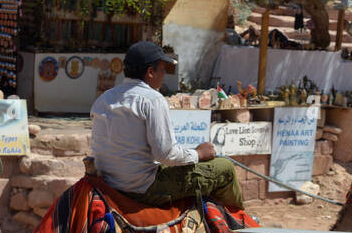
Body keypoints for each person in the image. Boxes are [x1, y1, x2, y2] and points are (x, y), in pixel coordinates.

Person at [90, 41, 245, 209]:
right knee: (225, 168)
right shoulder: (152, 99)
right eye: (163, 70)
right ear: (150, 72)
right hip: (142, 188)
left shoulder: (103, 99)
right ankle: (238, 223)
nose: (164, 75)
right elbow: (165, 155)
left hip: (109, 183)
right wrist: (199, 154)